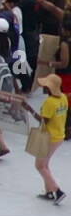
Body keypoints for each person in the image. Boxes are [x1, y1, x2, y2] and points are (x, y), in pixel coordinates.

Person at [23, 74, 67, 205]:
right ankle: (49, 192)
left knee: (39, 165)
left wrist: (29, 109)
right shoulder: (63, 98)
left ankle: (57, 191)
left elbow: (43, 121)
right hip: (59, 135)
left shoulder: (49, 102)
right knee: (45, 164)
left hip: (49, 137)